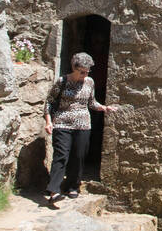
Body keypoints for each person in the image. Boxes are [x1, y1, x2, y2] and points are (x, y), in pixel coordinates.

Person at [43, 53, 118, 208]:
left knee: (78, 156)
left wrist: (104, 108)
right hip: (62, 123)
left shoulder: (89, 82)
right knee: (61, 155)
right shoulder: (62, 81)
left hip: (83, 124)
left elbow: (92, 102)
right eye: (82, 72)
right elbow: (49, 102)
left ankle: (72, 186)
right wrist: (49, 122)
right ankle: (54, 191)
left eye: (87, 72)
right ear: (74, 68)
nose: (85, 75)